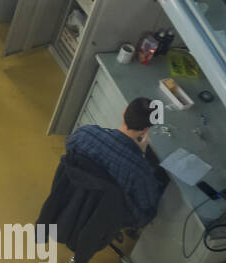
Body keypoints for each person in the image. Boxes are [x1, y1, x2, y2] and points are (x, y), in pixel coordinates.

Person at [64, 97, 167, 227]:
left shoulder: (84, 133)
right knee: (151, 210)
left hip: (75, 189)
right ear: (146, 130)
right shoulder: (140, 171)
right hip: (106, 211)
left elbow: (69, 148)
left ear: (124, 113)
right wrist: (140, 155)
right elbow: (147, 202)